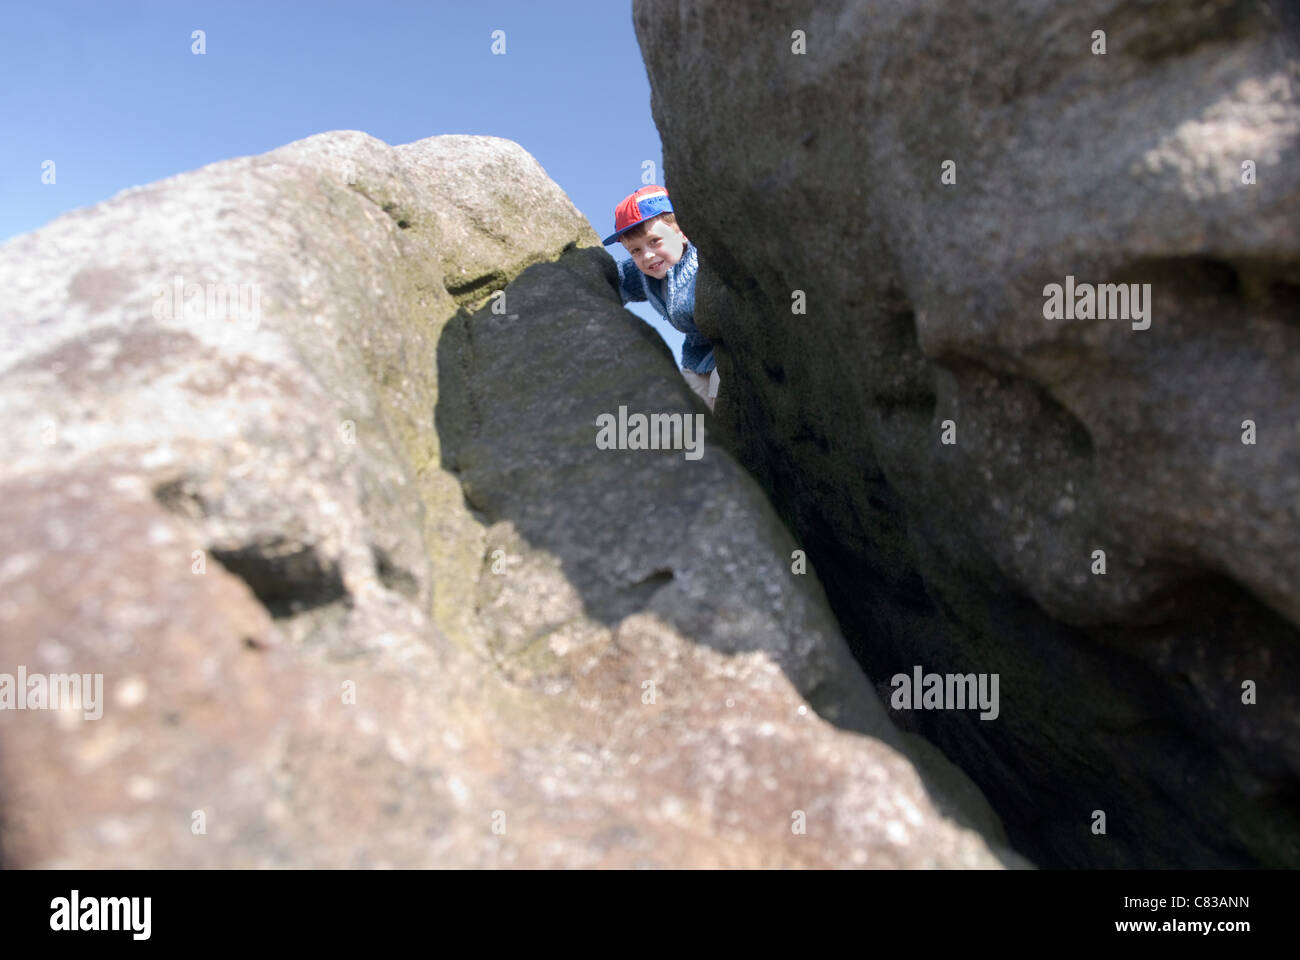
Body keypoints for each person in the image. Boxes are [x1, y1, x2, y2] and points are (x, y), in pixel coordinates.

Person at [603, 186, 719, 411]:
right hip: (696, 358)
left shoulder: (704, 260)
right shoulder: (646, 275)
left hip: (730, 349)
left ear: (682, 232)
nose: (647, 255)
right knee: (691, 410)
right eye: (635, 250)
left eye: (655, 241)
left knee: (722, 392)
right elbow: (615, 278)